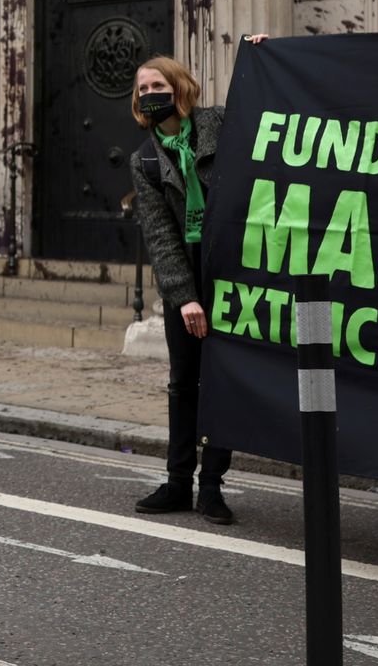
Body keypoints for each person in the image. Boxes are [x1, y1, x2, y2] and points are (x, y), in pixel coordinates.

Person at [126, 52, 242, 525]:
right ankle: (178, 482)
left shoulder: (217, 123)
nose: (149, 95)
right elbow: (159, 233)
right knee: (183, 381)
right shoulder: (145, 159)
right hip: (186, 273)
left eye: (157, 86)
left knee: (223, 381)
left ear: (179, 87)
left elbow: (268, 114)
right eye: (142, 90)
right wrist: (184, 296)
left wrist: (264, 54)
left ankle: (212, 487)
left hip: (229, 266)